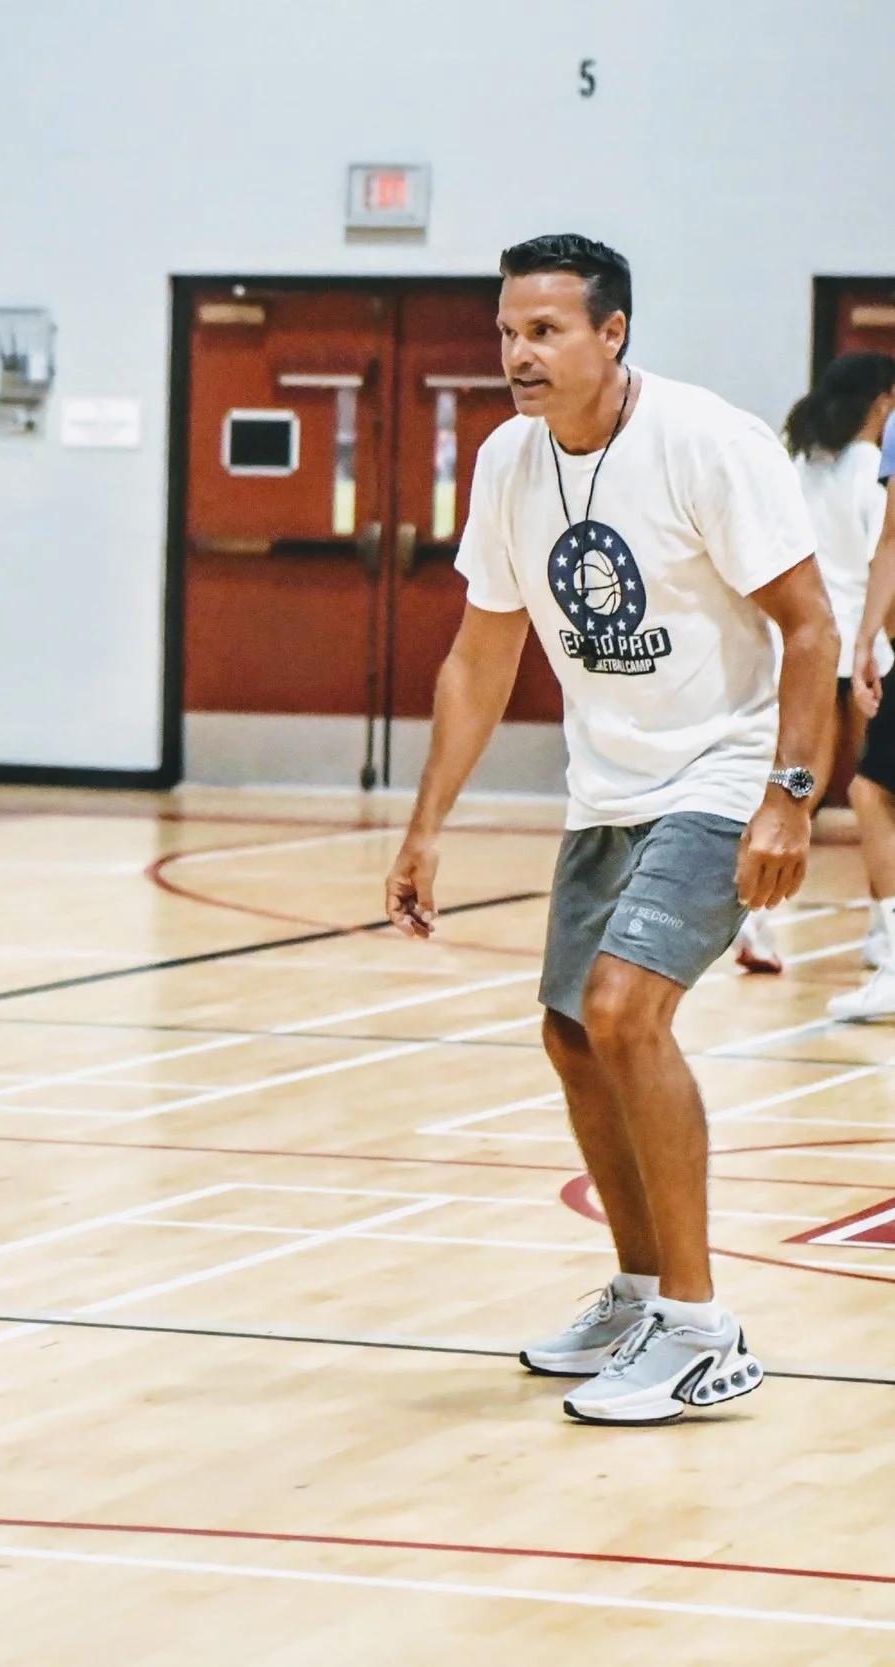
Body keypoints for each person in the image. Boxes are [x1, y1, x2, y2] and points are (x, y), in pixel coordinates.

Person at [382, 235, 835, 1425]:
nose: (517, 354)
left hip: (721, 772)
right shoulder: (507, 461)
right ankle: (638, 1293)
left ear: (611, 332)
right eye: (506, 331)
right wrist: (424, 825)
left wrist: (787, 796)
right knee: (573, 1033)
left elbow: (810, 625)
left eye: (543, 331)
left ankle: (699, 1327)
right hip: (607, 786)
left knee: (626, 1009)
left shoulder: (704, 441)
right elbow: (481, 655)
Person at [731, 351, 895, 980]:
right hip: (864, 648)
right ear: (881, 401)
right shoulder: (869, 468)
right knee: (876, 792)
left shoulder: (797, 463)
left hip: (803, 648)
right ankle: (883, 930)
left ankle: (756, 917)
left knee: (800, 787)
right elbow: (886, 557)